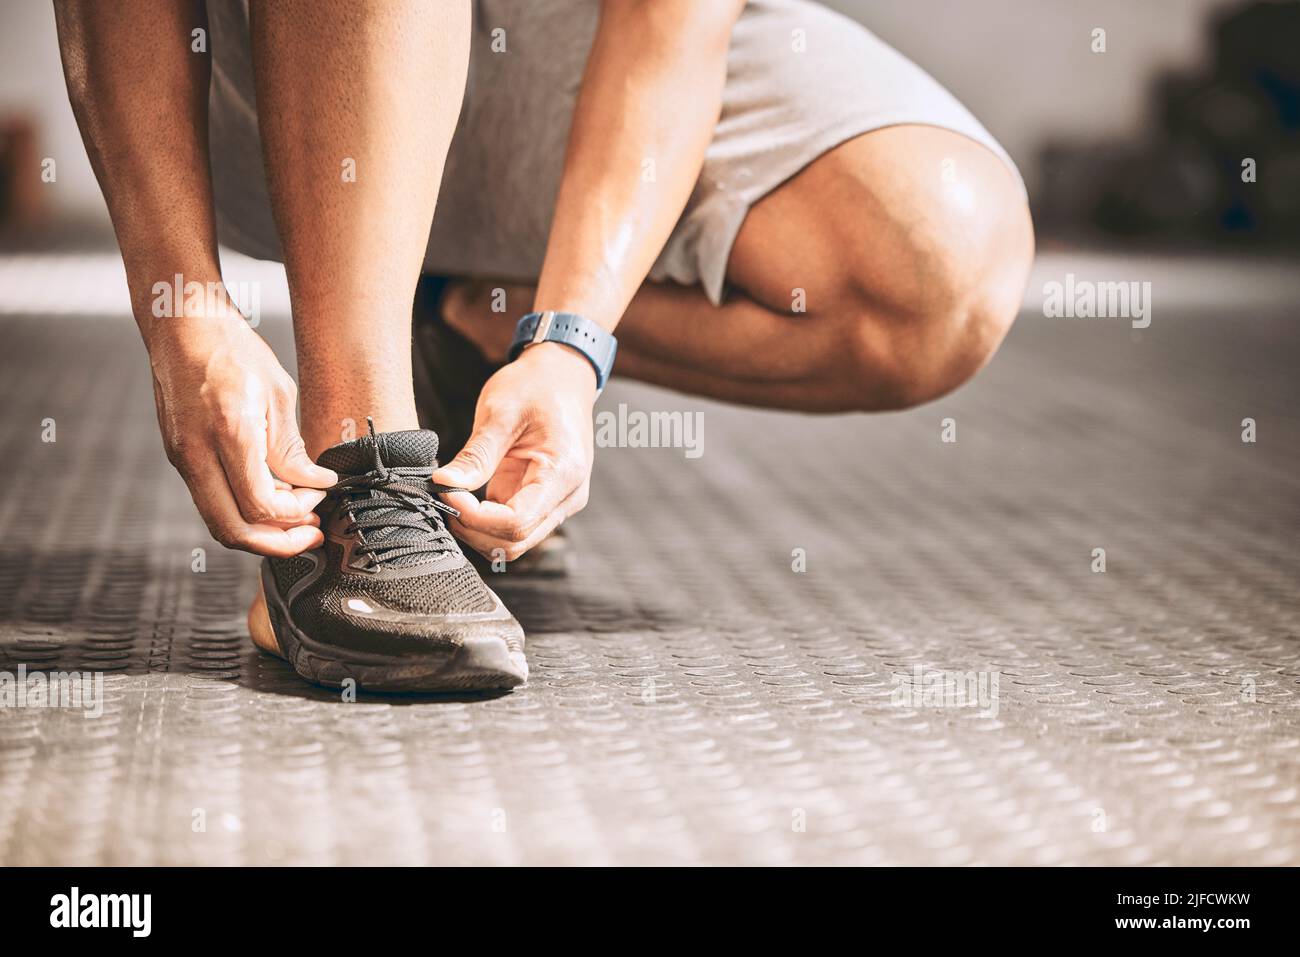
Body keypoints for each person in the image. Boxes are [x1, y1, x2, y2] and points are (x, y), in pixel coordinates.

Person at [54, 0, 1033, 692]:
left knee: (944, 267)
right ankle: (360, 468)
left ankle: (459, 325)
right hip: (270, 55)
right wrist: (180, 304)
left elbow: (669, 29)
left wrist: (568, 344)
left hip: (559, 42)